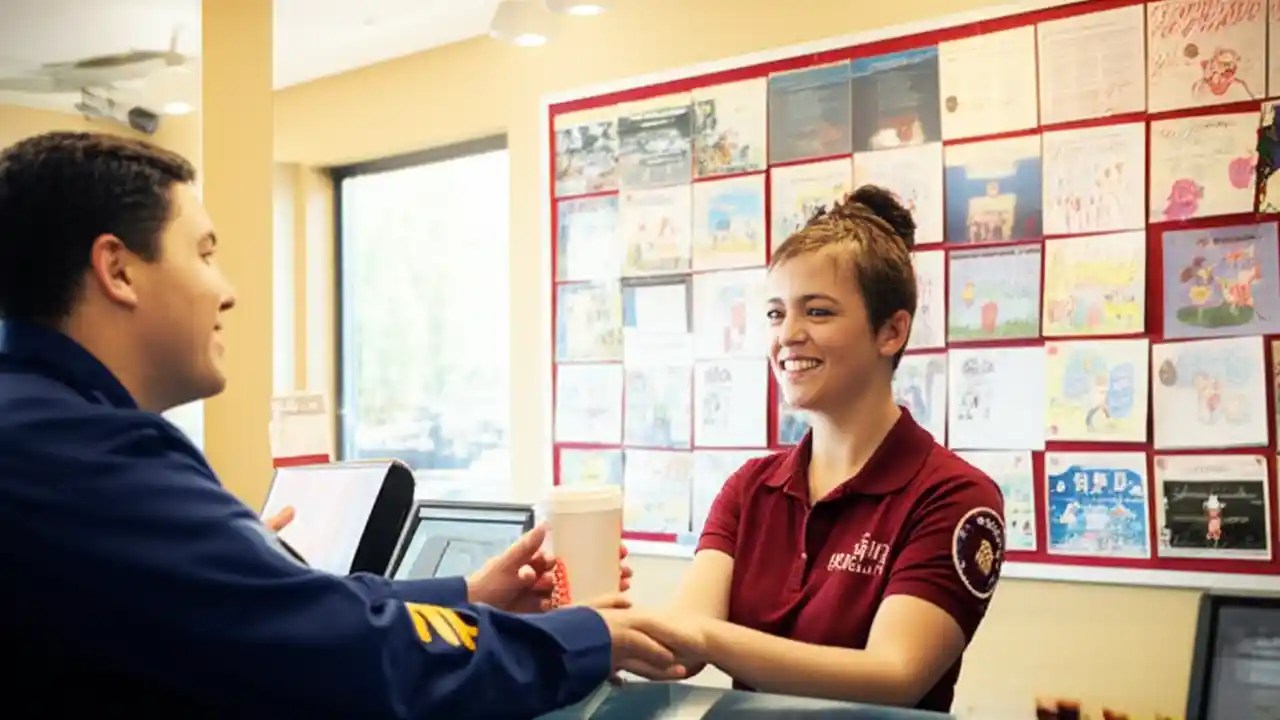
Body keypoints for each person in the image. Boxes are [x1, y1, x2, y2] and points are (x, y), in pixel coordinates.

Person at [0, 131, 690, 718]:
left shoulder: (41, 427)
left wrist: (467, 595)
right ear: (117, 270)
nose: (226, 288)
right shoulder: (87, 457)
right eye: (205, 252)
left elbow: (302, 609)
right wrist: (586, 636)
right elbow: (338, 649)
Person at [648, 187, 1006, 712]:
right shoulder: (750, 488)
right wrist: (581, 625)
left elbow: (894, 674)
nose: (788, 335)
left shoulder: (954, 496)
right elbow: (680, 647)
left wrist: (709, 638)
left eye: (816, 312)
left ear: (891, 331)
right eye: (775, 315)